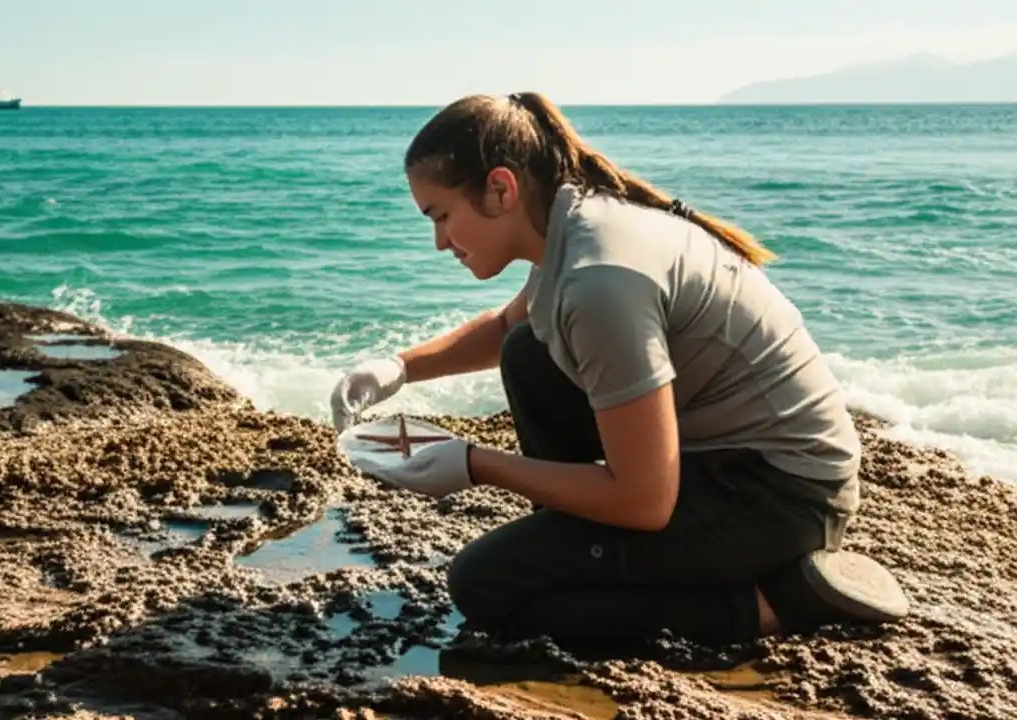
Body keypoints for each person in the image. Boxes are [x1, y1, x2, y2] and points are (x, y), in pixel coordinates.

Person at [329, 92, 908, 645]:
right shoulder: (575, 222)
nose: (438, 242)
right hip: (733, 463)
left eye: (441, 215)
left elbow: (646, 500)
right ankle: (595, 549)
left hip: (781, 497)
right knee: (528, 350)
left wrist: (474, 464)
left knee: (485, 586)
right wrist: (398, 367)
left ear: (500, 189)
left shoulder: (599, 280)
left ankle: (780, 601)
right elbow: (507, 327)